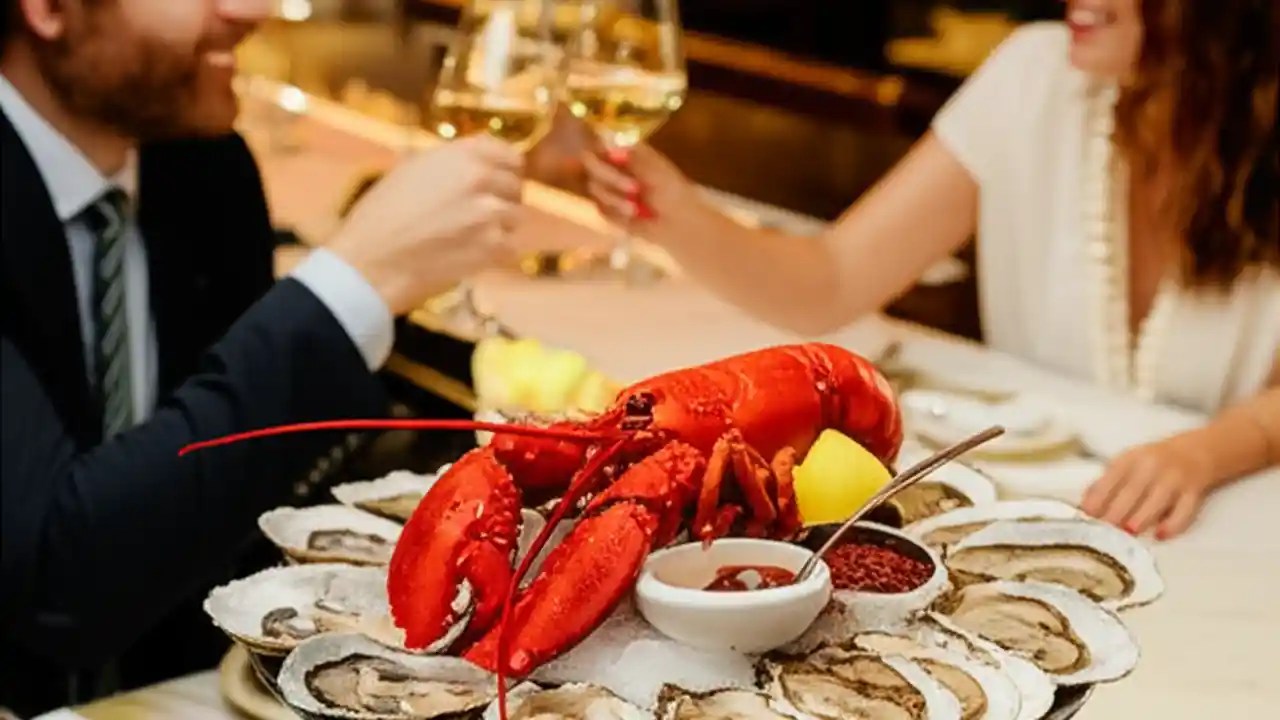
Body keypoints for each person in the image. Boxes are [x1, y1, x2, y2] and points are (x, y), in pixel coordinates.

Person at [584, 0, 1279, 540]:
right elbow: (829, 280)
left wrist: (1205, 454)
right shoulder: (1032, 75)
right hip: (1025, 517)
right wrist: (668, 209)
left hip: (1226, 529)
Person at [0, 0, 523, 715]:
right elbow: (56, 585)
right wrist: (351, 286)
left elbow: (240, 499)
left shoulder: (203, 167)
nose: (255, 10)